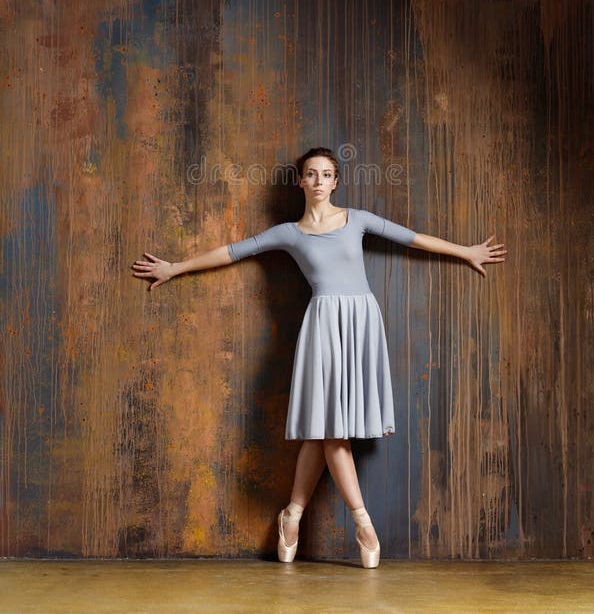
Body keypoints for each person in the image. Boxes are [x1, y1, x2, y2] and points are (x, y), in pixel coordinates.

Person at [132, 146, 506, 567]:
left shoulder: (358, 220)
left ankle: (291, 515)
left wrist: (467, 251)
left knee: (322, 431)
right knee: (333, 432)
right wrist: (175, 267)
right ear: (301, 182)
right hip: (324, 326)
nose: (318, 181)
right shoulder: (288, 233)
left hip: (362, 322)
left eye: (326, 174)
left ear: (335, 182)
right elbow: (233, 251)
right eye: (311, 174)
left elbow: (412, 238)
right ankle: (363, 525)